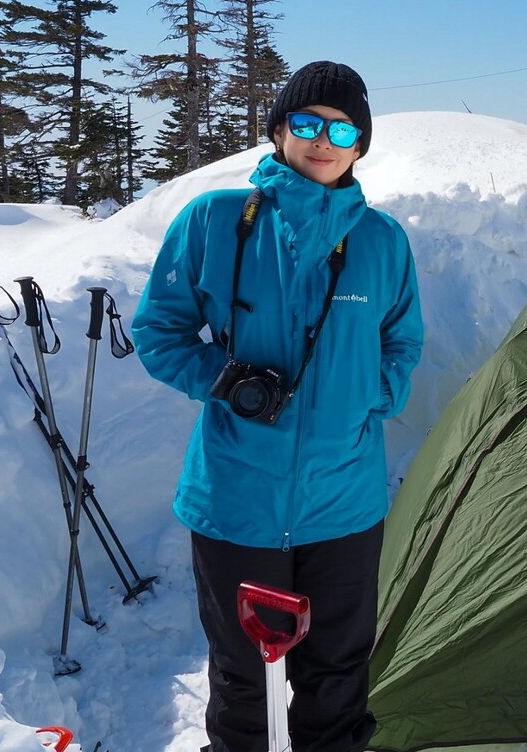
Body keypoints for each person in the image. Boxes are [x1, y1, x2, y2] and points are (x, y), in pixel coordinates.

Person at [132, 60, 424, 752]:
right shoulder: (215, 221)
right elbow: (158, 331)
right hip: (236, 500)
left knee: (337, 677)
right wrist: (225, 380)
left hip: (344, 507)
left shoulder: (382, 242)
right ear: (278, 130)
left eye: (343, 127)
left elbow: (402, 342)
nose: (323, 139)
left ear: (360, 144)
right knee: (242, 681)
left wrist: (369, 397)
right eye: (307, 122)